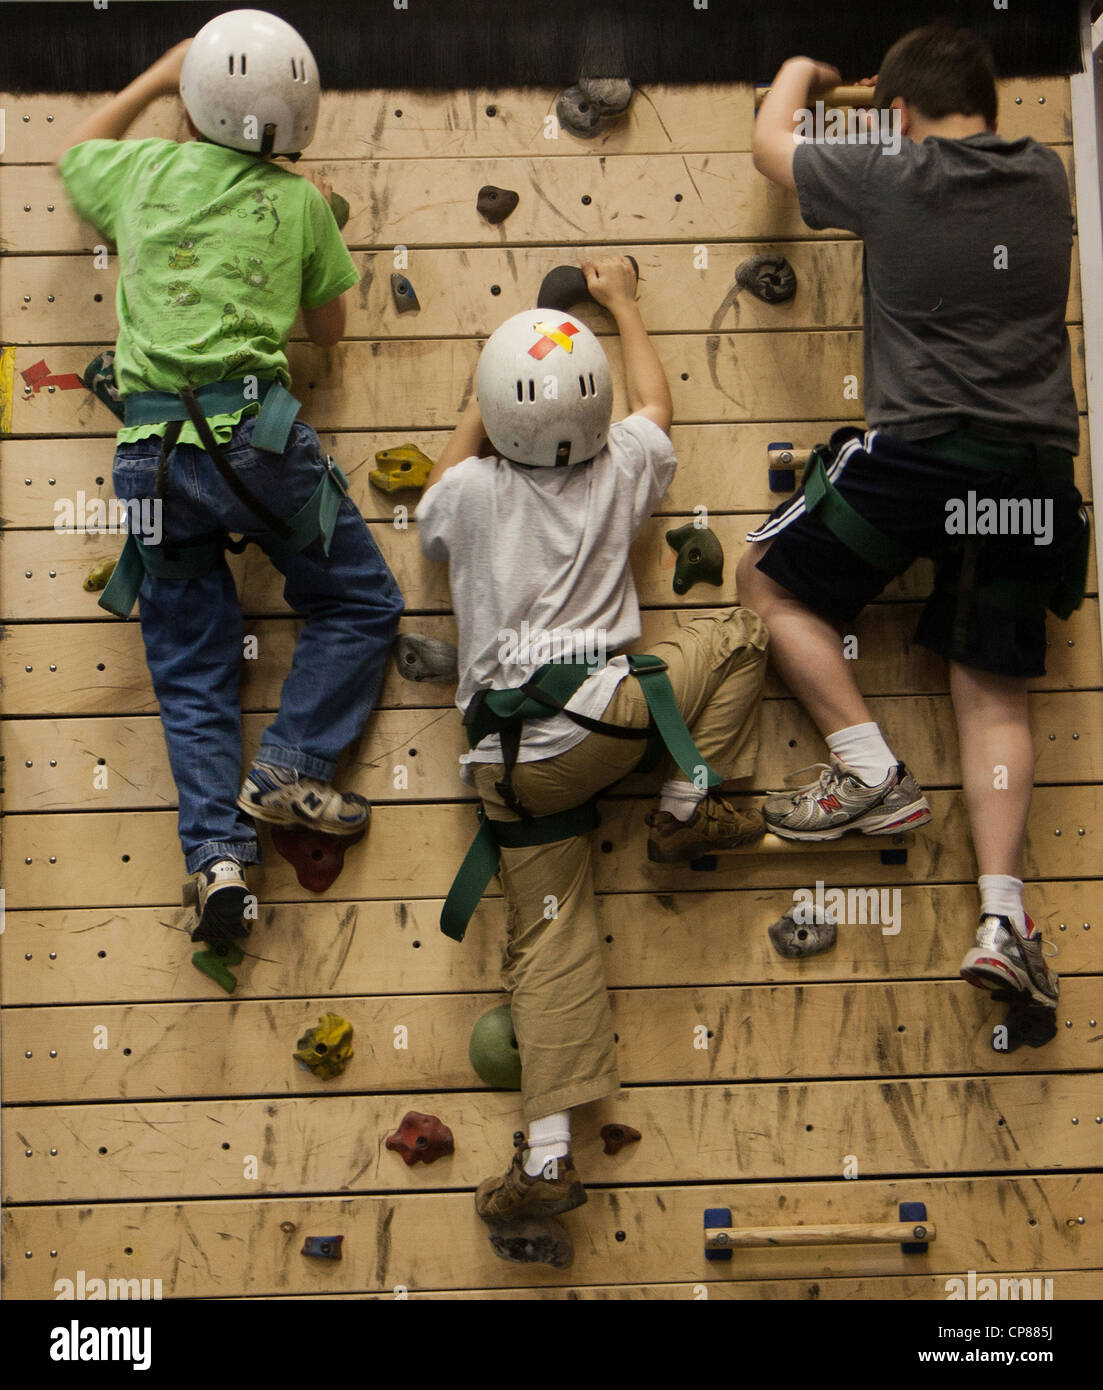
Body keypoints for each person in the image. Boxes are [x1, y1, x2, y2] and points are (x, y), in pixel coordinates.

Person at [738, 25, 1088, 1020]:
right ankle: (1000, 921)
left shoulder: (887, 171)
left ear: (892, 112)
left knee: (764, 578)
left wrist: (800, 74)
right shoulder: (1045, 179)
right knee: (990, 696)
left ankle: (868, 770)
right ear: (992, 105)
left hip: (920, 455)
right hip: (1029, 469)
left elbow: (769, 145)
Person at [416, 258, 768, 1243]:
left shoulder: (471, 492)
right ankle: (683, 810)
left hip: (505, 765)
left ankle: (546, 1155)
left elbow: (436, 495)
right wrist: (619, 301)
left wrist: (480, 402)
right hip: (602, 719)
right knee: (740, 634)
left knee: (548, 936)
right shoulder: (620, 461)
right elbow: (657, 403)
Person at [56, 11, 404, 945]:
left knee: (192, 665)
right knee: (361, 600)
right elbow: (328, 334)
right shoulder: (295, 203)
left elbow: (77, 153)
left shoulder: (139, 173)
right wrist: (320, 219)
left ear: (195, 96)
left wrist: (154, 77)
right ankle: (288, 767)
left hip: (152, 457)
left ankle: (216, 859)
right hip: (260, 446)